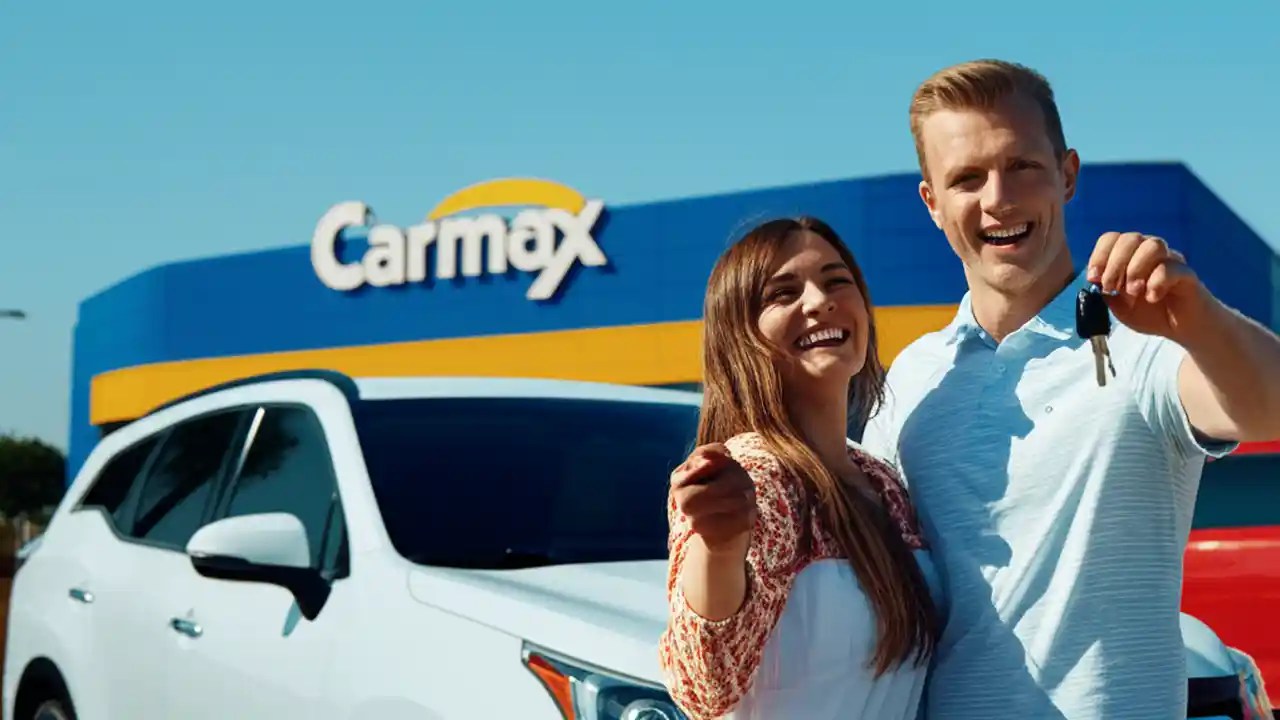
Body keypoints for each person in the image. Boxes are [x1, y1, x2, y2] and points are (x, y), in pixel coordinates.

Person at [669, 59, 1280, 719]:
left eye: (1022, 167)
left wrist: (1201, 319)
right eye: (967, 178)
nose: (998, 199)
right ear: (932, 203)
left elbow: (1267, 410)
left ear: (1067, 175)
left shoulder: (1141, 344)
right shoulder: (913, 379)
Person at [657, 217, 943, 719]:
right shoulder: (752, 475)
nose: (819, 301)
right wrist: (720, 548)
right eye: (782, 294)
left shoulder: (882, 481)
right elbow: (704, 683)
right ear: (739, 332)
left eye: (837, 281)